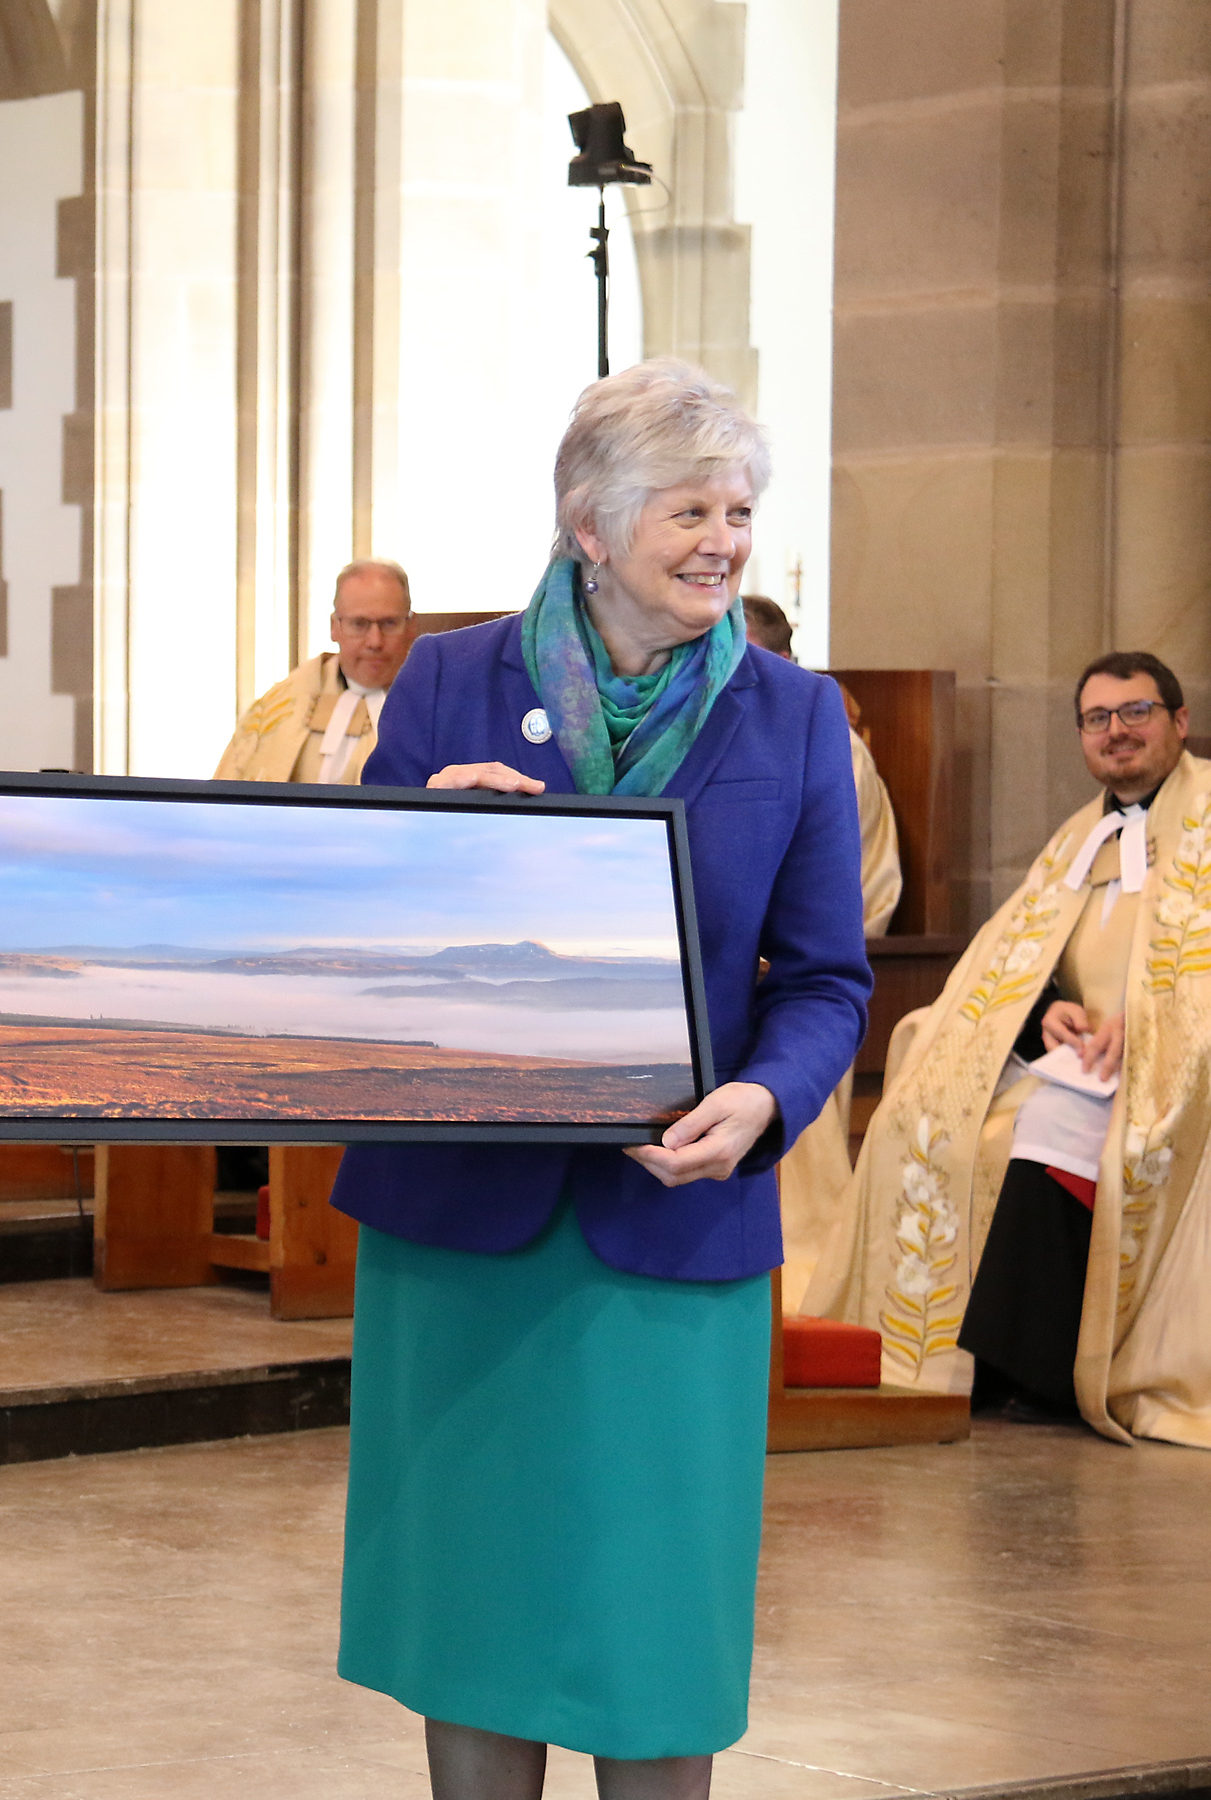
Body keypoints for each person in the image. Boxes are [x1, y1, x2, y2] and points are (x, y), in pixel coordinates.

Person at [330, 361, 870, 1799]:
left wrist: (765, 1103)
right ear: (590, 525)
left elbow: (827, 980)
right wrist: (421, 831)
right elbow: (353, 925)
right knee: (473, 1600)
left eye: (738, 512)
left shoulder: (794, 714)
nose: (723, 542)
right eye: (689, 511)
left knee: (656, 1611)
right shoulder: (450, 681)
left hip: (675, 1225)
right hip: (466, 1227)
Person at [805, 652, 1208, 1447]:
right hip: (1084, 1058)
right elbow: (1019, 955)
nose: (1117, 732)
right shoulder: (1078, 837)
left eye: (1136, 712)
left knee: (1050, 1126)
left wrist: (1156, 1023)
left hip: (1177, 1064)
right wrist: (1048, 1011)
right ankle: (966, 1359)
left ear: (1179, 721)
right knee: (925, 1119)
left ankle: (1039, 1372)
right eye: (1097, 719)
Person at [742, 597, 901, 1287]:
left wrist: (773, 961)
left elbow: (858, 889)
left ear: (784, 663)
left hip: (793, 984)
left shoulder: (830, 744)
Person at [214, 560, 415, 784]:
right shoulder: (282, 706)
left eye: (389, 623)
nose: (374, 641)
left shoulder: (431, 704)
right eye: (359, 624)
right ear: (334, 627)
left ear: (411, 626)